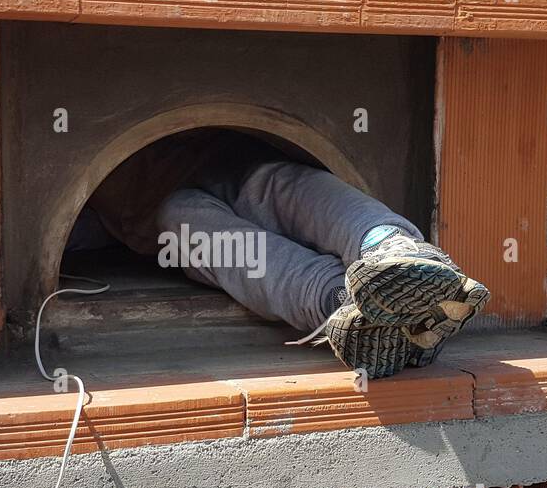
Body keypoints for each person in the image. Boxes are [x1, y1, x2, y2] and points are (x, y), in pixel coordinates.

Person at [75, 129, 489, 379]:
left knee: (277, 185)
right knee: (194, 220)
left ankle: (390, 254)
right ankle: (350, 304)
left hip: (234, 160)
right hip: (162, 202)